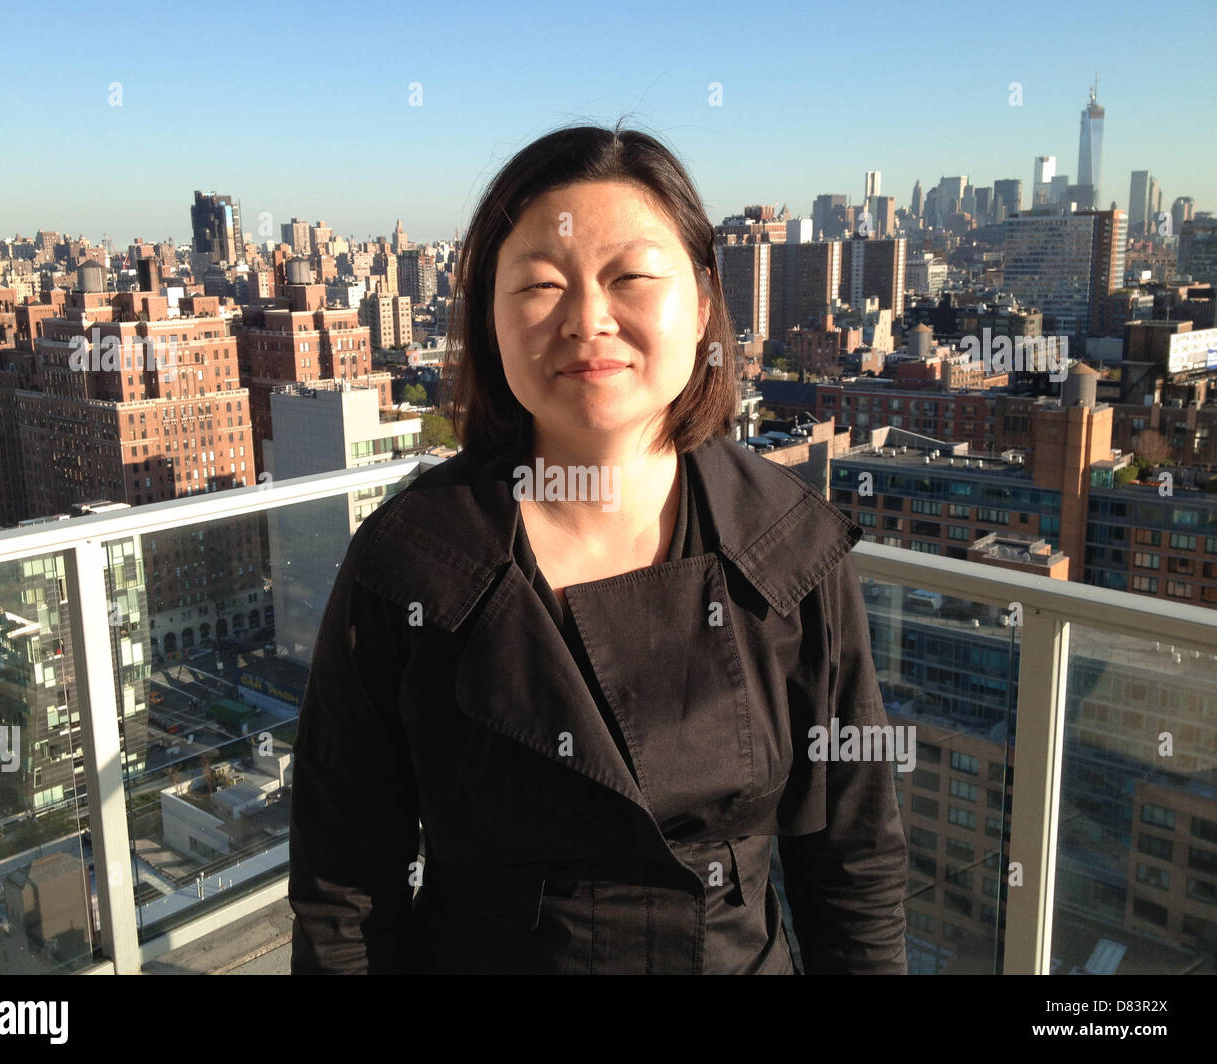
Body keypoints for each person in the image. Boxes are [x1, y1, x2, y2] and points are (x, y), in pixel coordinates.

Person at [288, 123, 908, 974]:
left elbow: (852, 858)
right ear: (488, 321)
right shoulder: (411, 564)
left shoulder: (787, 547)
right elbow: (345, 890)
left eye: (632, 278)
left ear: (702, 303)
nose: (588, 320)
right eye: (540, 285)